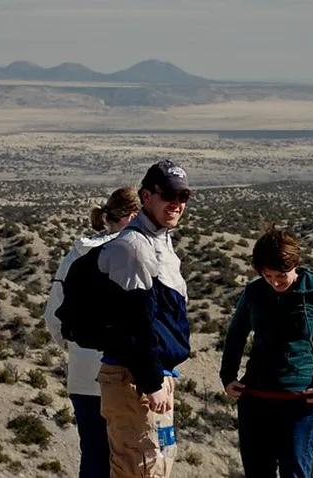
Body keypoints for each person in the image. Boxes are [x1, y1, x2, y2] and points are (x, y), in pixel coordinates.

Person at [220, 227, 313, 478]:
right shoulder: (253, 293)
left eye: (281, 276)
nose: (274, 282)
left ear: (295, 265)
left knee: (295, 473)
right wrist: (228, 376)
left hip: (299, 405)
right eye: (267, 275)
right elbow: (236, 335)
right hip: (255, 400)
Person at [96, 160, 192, 478]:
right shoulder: (134, 248)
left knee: (160, 460)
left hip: (153, 376)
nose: (176, 204)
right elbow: (132, 323)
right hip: (135, 380)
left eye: (183, 196)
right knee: (141, 467)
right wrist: (151, 382)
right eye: (168, 195)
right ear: (147, 196)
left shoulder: (160, 242)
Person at [44, 187, 140, 478]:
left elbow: (53, 314)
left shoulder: (74, 255)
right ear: (133, 216)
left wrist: (75, 348)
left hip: (83, 375)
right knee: (128, 456)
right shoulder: (132, 253)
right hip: (125, 373)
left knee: (94, 453)